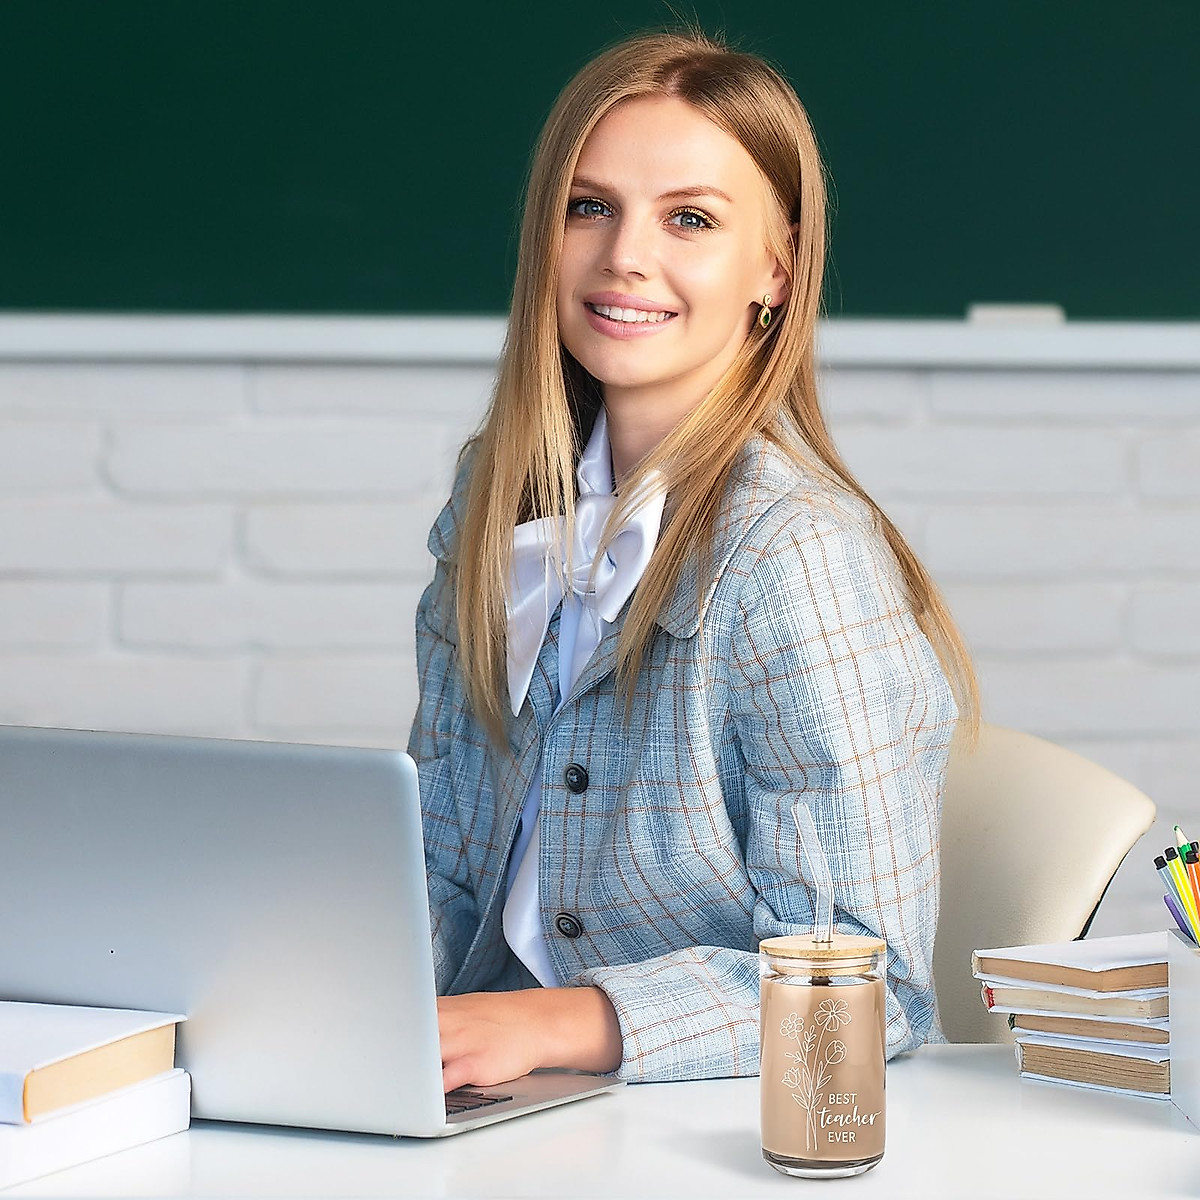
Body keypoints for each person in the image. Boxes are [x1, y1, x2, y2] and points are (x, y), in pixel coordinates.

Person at [409, 27, 978, 1093]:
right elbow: (441, 856)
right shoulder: (494, 502)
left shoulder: (795, 559)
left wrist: (553, 1025)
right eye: (591, 207)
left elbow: (871, 982)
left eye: (689, 220)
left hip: (687, 1113)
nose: (625, 255)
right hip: (484, 1095)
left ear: (778, 267)